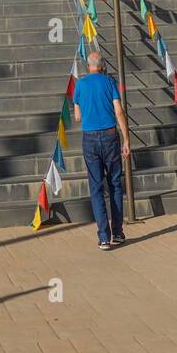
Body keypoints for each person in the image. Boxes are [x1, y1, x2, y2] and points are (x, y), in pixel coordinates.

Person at [73, 50, 131, 250]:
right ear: (103, 65)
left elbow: (77, 116)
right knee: (115, 183)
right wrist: (126, 139)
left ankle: (103, 237)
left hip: (89, 138)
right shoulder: (110, 83)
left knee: (96, 187)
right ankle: (117, 232)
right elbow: (119, 112)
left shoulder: (80, 85)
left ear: (88, 65)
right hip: (110, 135)